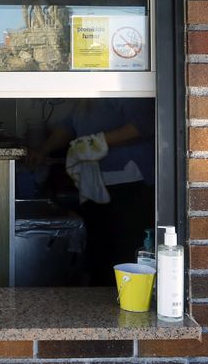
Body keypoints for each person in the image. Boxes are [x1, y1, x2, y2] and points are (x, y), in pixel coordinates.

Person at [31, 98, 154, 286]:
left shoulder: (124, 85)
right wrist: (43, 150)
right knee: (99, 255)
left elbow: (145, 124)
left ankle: (127, 303)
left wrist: (99, 141)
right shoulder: (87, 93)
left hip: (130, 184)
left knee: (124, 254)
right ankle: (99, 308)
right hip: (94, 185)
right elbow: (68, 126)